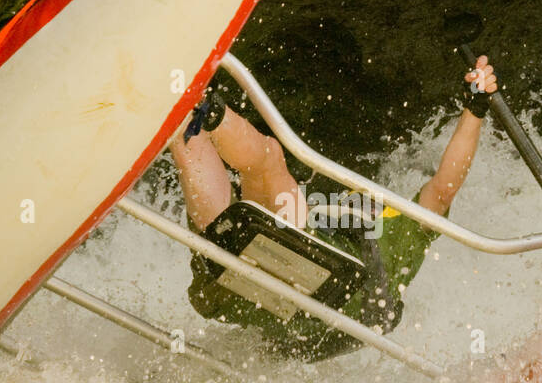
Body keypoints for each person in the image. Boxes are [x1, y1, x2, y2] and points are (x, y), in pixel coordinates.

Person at [169, 56, 498, 360]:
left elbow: (444, 189)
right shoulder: (390, 242)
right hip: (252, 295)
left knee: (269, 157)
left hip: (308, 284)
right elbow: (443, 191)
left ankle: (199, 106)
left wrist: (475, 109)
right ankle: (182, 113)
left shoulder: (400, 234)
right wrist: (476, 107)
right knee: (223, 224)